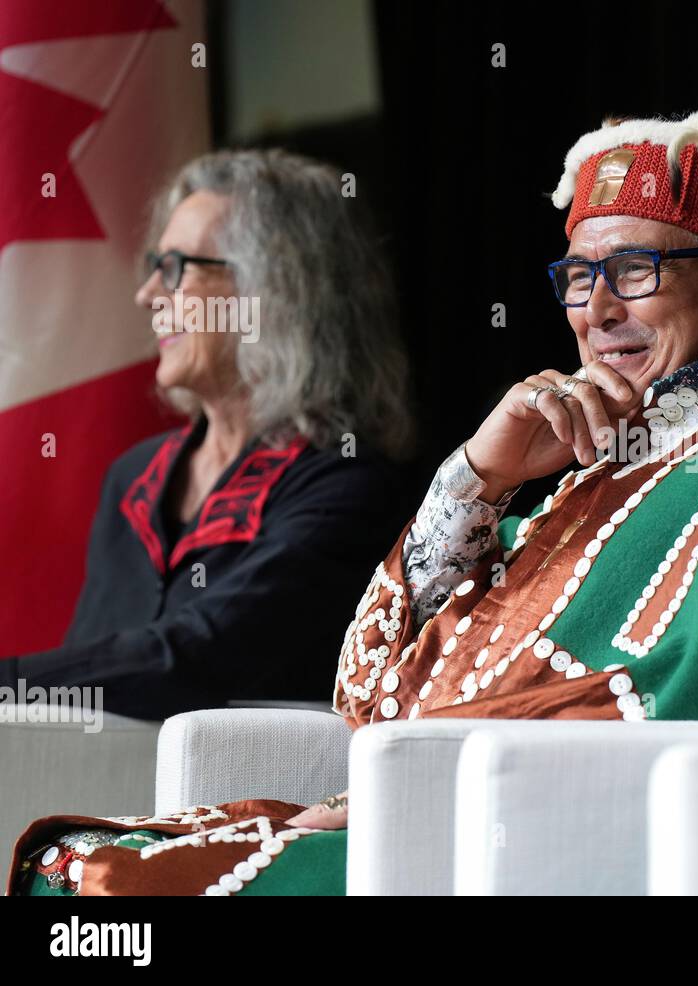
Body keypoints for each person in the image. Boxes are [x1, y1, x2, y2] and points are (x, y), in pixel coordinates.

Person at [10, 112, 698, 895]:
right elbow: (365, 685)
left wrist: (412, 785)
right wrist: (477, 478)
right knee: (80, 867)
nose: (595, 311)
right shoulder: (617, 440)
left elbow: (689, 705)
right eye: (576, 276)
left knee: (94, 884)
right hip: (425, 811)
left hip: (545, 843)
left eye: (635, 270)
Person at [0, 149, 418, 721]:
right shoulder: (133, 477)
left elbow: (198, 655)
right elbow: (86, 696)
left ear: (272, 290)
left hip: (253, 808)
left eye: (175, 266)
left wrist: (8, 681)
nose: (148, 294)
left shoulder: (347, 485)